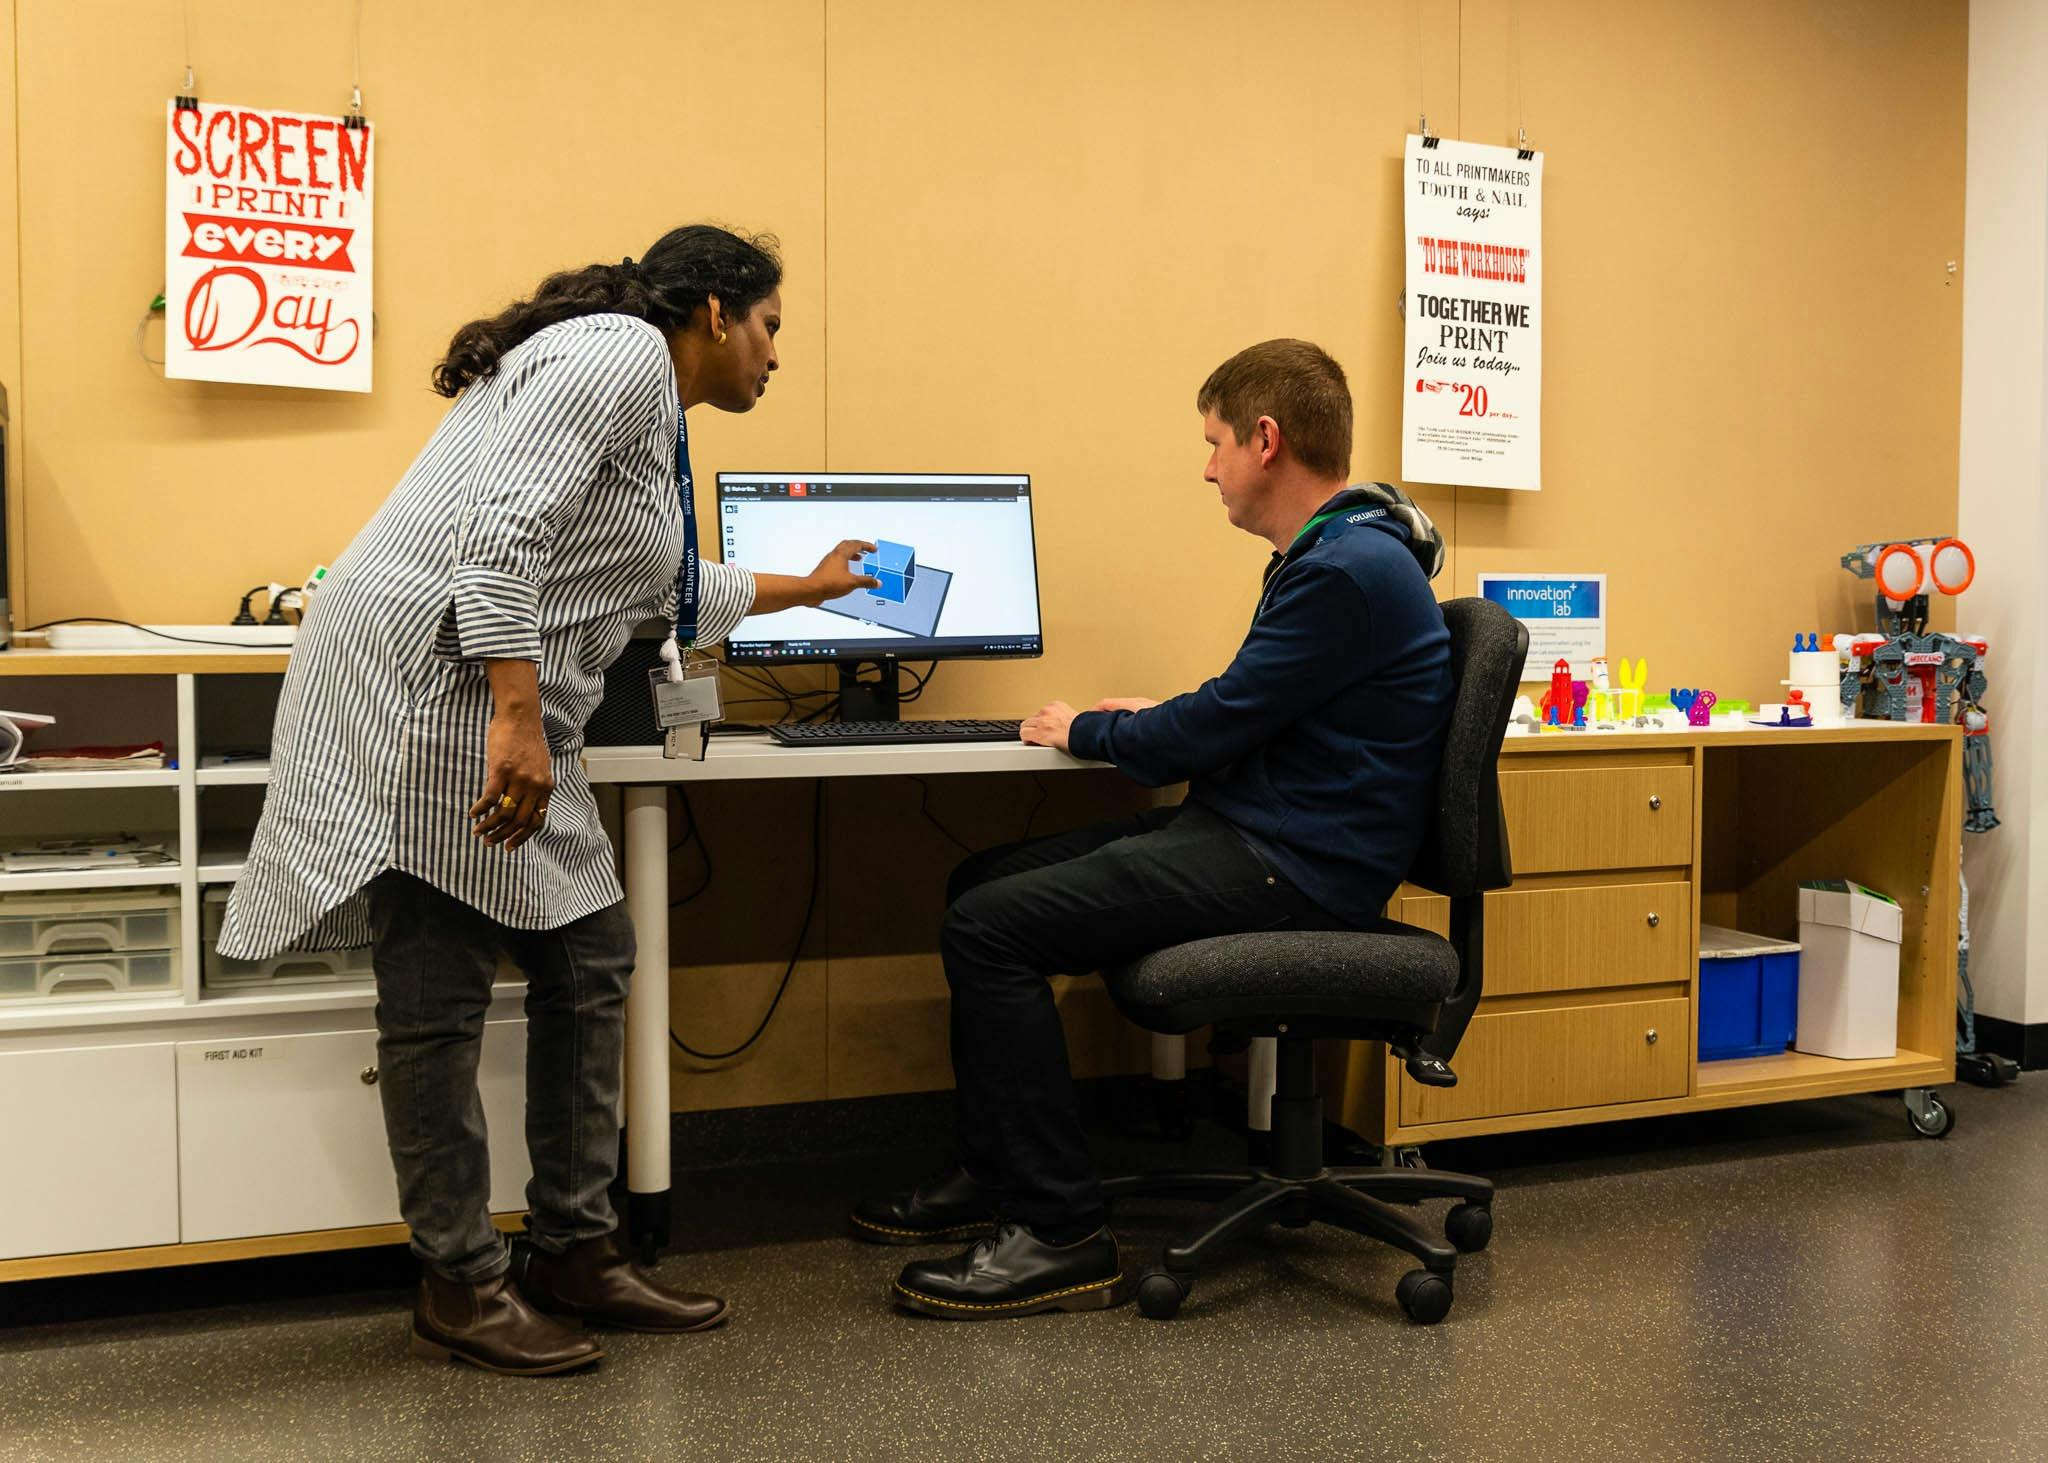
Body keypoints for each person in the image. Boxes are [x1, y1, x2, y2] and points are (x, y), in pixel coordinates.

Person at [218, 225, 880, 1375]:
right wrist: (517, 716)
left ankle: (574, 1246)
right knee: (439, 986)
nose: (778, 354)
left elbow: (657, 581)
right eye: (772, 325)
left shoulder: (640, 401)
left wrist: (811, 585)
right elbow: (500, 536)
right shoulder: (621, 351)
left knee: (591, 956)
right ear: (716, 312)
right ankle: (459, 1281)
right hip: (431, 690)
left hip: (484, 682)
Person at [851, 339, 1454, 1319]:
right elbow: (1260, 709)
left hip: (1291, 865)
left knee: (990, 926)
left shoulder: (1343, 568)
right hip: (1274, 834)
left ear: (1267, 439)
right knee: (980, 883)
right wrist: (1158, 717)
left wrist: (1095, 729)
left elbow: (1216, 726)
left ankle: (1059, 1233)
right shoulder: (1342, 554)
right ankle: (998, 1168)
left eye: (1216, 442)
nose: (1207, 466)